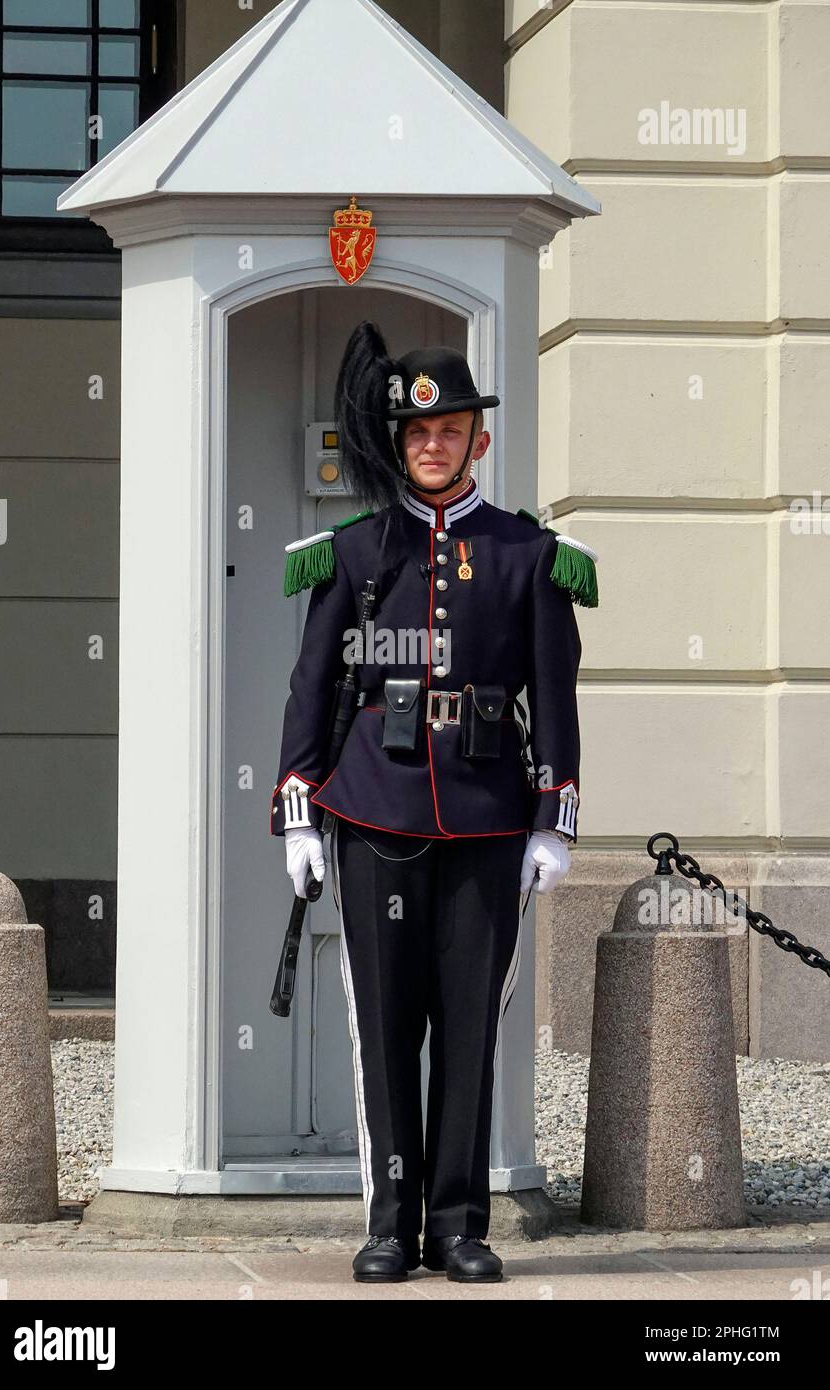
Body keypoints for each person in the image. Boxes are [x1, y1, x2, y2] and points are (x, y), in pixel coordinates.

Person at [270, 322, 598, 1283]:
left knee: (469, 1029)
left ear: (477, 440)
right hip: (375, 813)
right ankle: (388, 1221)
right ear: (399, 443)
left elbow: (555, 691)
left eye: (450, 430)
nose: (433, 446)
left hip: (492, 818)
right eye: (417, 435)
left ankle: (458, 1224)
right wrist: (298, 808)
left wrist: (554, 819)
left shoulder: (529, 553)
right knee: (383, 1028)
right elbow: (314, 686)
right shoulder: (354, 552)